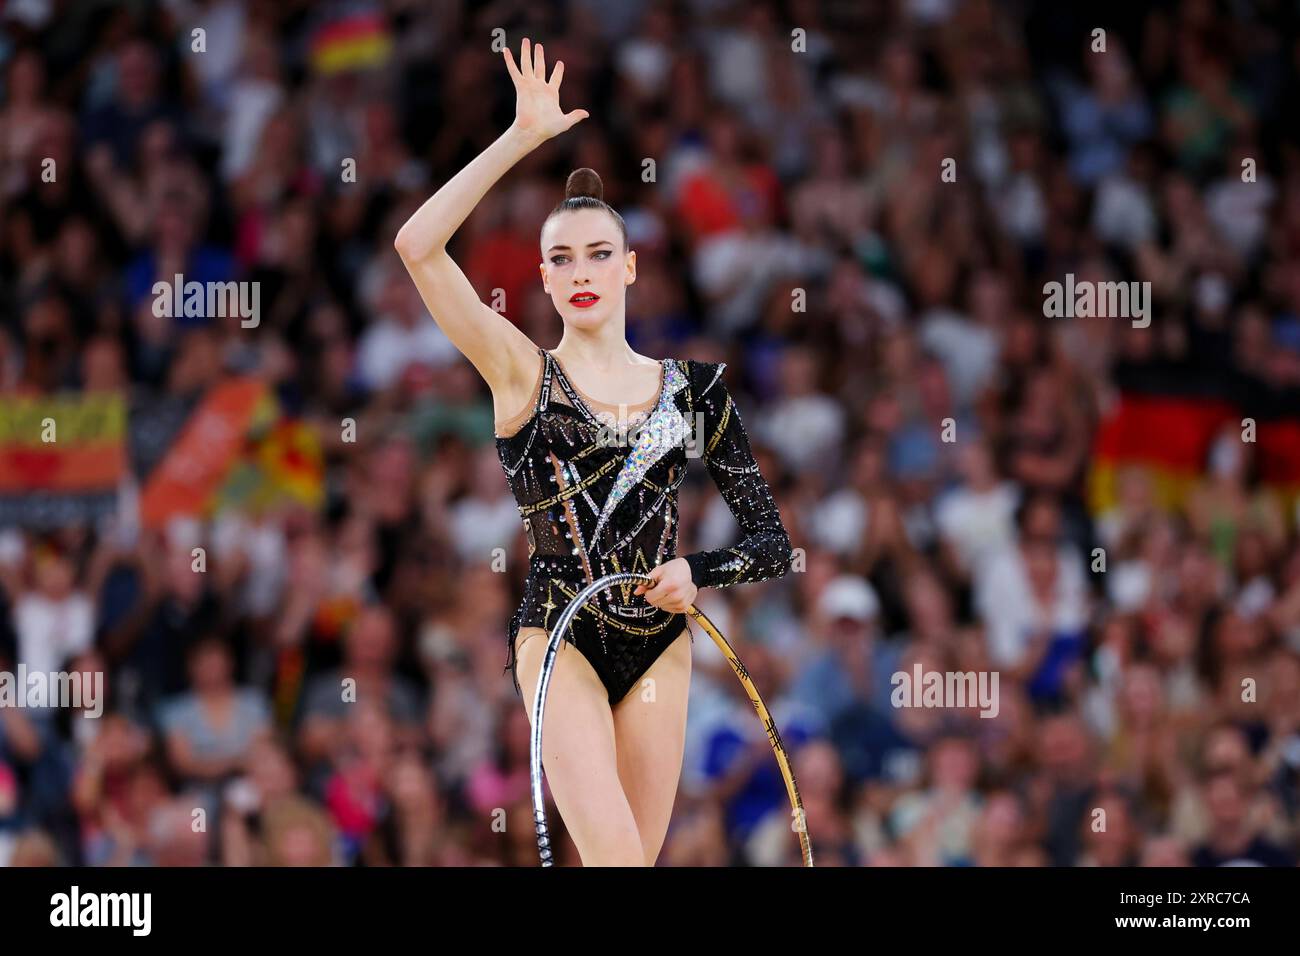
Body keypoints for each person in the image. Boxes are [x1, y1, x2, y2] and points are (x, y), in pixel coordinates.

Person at [394, 37, 792, 866]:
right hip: (558, 630)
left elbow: (772, 543)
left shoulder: (697, 391)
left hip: (661, 640)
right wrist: (519, 139)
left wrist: (699, 573)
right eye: (562, 259)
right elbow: (417, 247)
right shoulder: (519, 375)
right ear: (541, 279)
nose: (582, 271)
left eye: (599, 254)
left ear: (631, 267)